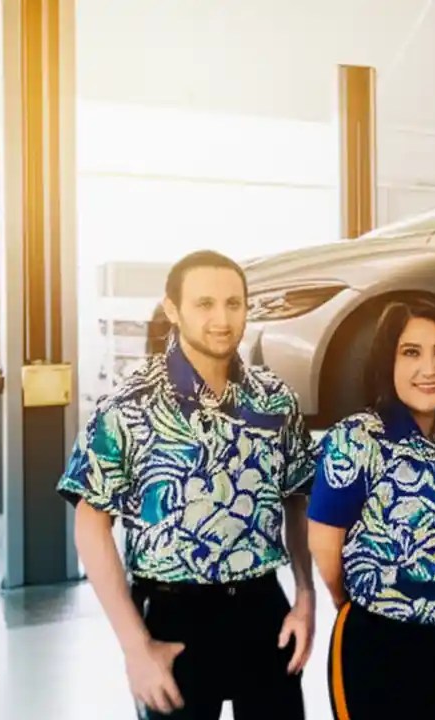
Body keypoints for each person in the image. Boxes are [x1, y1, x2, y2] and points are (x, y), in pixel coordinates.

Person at [57, 250, 316, 719]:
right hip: (174, 617)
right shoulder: (128, 406)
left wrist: (304, 595)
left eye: (233, 304)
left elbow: (296, 497)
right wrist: (135, 647)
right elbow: (91, 526)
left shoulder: (276, 399)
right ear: (173, 309)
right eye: (204, 304)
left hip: (263, 609)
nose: (222, 318)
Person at [308, 300, 435, 719]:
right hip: (377, 640)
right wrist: (353, 604)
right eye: (411, 352)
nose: (430, 369)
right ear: (385, 360)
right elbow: (325, 543)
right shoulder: (356, 439)